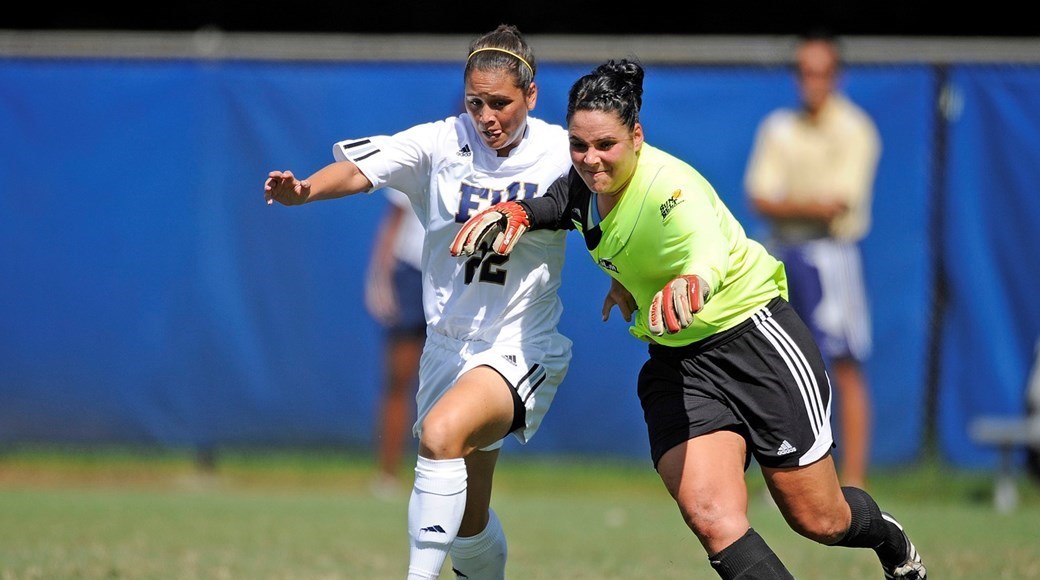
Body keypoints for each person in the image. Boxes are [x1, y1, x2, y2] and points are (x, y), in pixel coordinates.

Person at [451, 59, 925, 579]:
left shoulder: (670, 187)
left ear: (636, 136)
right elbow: (558, 204)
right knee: (711, 515)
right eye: (578, 145)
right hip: (681, 362)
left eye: (605, 144)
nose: (590, 159)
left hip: (755, 342)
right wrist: (517, 213)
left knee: (819, 518)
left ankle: (891, 541)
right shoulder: (586, 185)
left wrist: (692, 281)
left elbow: (706, 247)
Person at [264, 24, 573, 579]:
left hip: (518, 343)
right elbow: (360, 171)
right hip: (447, 346)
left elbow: (624, 200)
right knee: (469, 521)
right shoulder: (440, 141)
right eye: (475, 102)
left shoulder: (561, 149)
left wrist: (629, 275)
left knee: (440, 434)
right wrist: (306, 190)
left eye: (500, 103)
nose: (486, 117)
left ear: (531, 95)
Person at [743, 31, 881, 489]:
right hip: (782, 254)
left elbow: (836, 205)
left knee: (843, 363)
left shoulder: (854, 129)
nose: (812, 82)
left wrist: (786, 202)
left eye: (821, 72)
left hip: (831, 256)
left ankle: (854, 482)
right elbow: (759, 197)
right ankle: (793, 479)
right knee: (780, 366)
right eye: (805, 72)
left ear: (836, 76)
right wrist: (804, 204)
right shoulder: (779, 127)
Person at [365, 187, 426, 498]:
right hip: (413, 274)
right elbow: (394, 220)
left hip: (462, 274)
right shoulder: (421, 155)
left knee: (462, 381)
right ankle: (387, 476)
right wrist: (379, 276)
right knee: (399, 377)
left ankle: (456, 479)